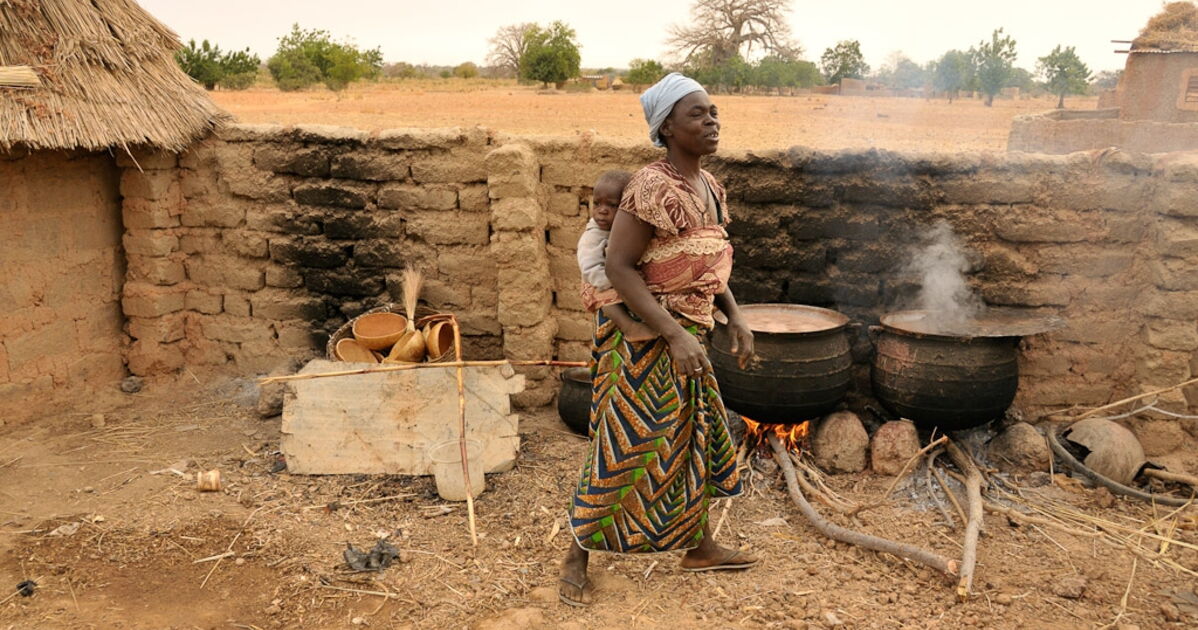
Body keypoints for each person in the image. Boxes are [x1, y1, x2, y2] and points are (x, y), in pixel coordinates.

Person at [560, 73, 757, 607]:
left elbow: (707, 262)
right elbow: (619, 268)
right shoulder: (649, 186)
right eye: (697, 114)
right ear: (666, 126)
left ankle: (700, 546)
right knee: (626, 445)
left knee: (692, 440)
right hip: (649, 339)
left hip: (689, 334)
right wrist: (671, 334)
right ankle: (577, 554)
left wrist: (735, 316)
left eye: (714, 112)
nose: (711, 122)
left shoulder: (710, 187)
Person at [577, 170, 656, 343]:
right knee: (607, 301)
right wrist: (617, 282)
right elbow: (590, 268)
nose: (602, 211)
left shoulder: (626, 230)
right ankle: (630, 327)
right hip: (598, 283)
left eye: (612, 205)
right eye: (597, 204)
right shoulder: (593, 236)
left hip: (617, 282)